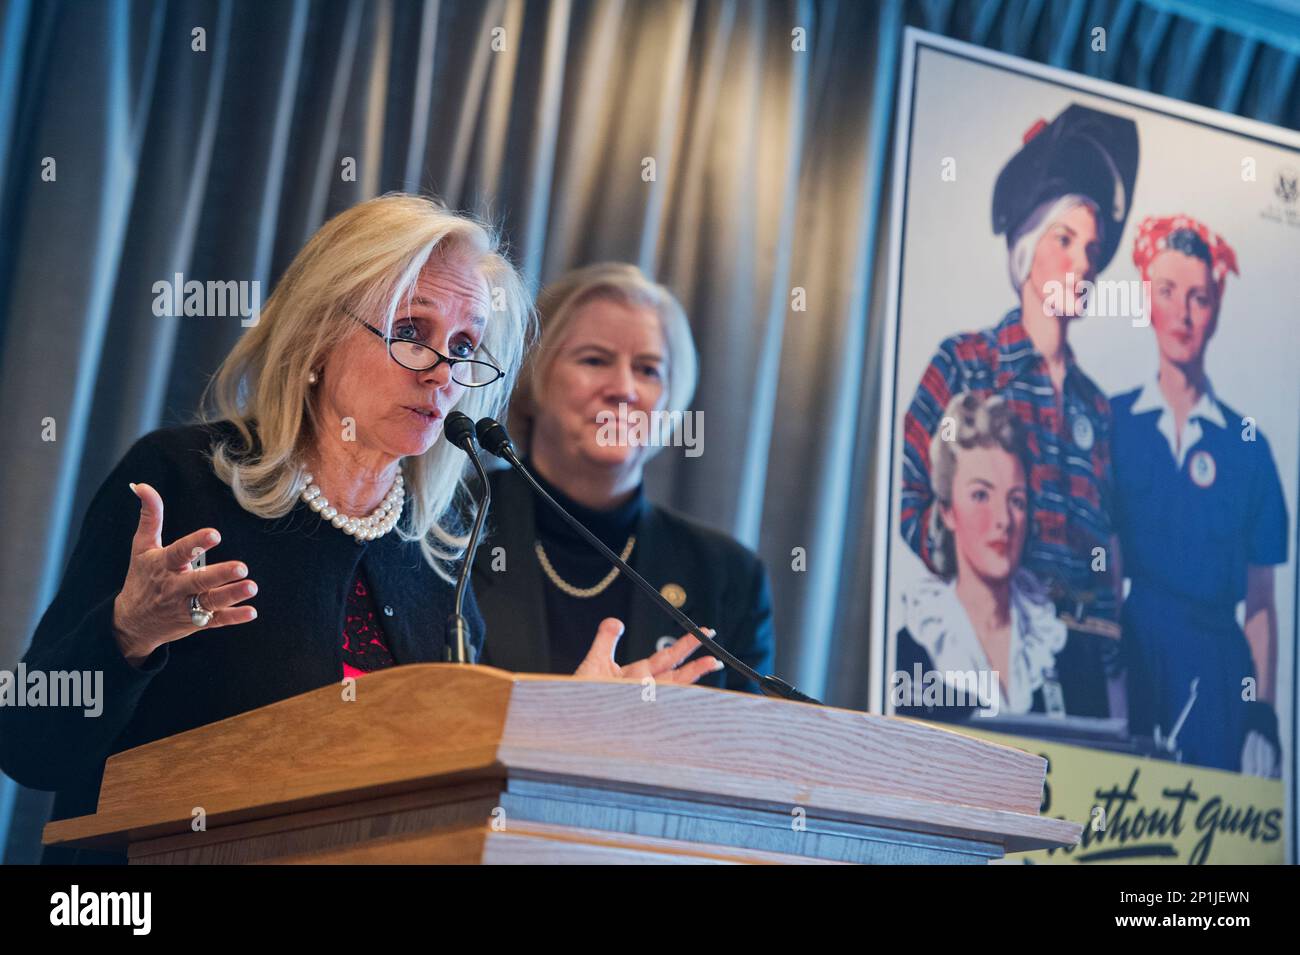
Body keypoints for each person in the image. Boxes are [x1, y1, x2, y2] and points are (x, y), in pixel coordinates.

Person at [0, 196, 721, 863]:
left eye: (467, 346)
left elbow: (441, 787)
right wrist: (126, 634)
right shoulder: (185, 482)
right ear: (317, 334)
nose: (445, 372)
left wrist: (565, 728)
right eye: (412, 331)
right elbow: (30, 744)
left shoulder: (440, 550)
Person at [900, 104, 1139, 676]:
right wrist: (974, 576)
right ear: (1028, 244)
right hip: (984, 646)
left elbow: (1109, 544)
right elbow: (910, 491)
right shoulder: (966, 362)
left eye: (1092, 249)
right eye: (1066, 240)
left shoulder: (1095, 405)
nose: (1082, 263)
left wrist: (1108, 652)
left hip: (1080, 659)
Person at [471, 263, 774, 692]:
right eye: (595, 360)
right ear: (533, 378)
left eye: (649, 369)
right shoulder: (450, 526)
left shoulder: (730, 577)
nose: (624, 389)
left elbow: (746, 750)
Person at [1113, 214, 1288, 774]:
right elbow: (1107, 580)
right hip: (1136, 661)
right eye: (1167, 292)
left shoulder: (1248, 447)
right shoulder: (1113, 424)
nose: (1183, 315)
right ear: (1146, 300)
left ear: (1217, 311)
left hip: (1220, 677)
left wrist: (1262, 713)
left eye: (1200, 298)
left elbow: (1261, 605)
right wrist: (1109, 692)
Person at [894, 393, 1109, 723]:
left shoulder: (1068, 651)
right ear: (947, 511)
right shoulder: (908, 653)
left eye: (1017, 501)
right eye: (981, 495)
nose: (1003, 520)